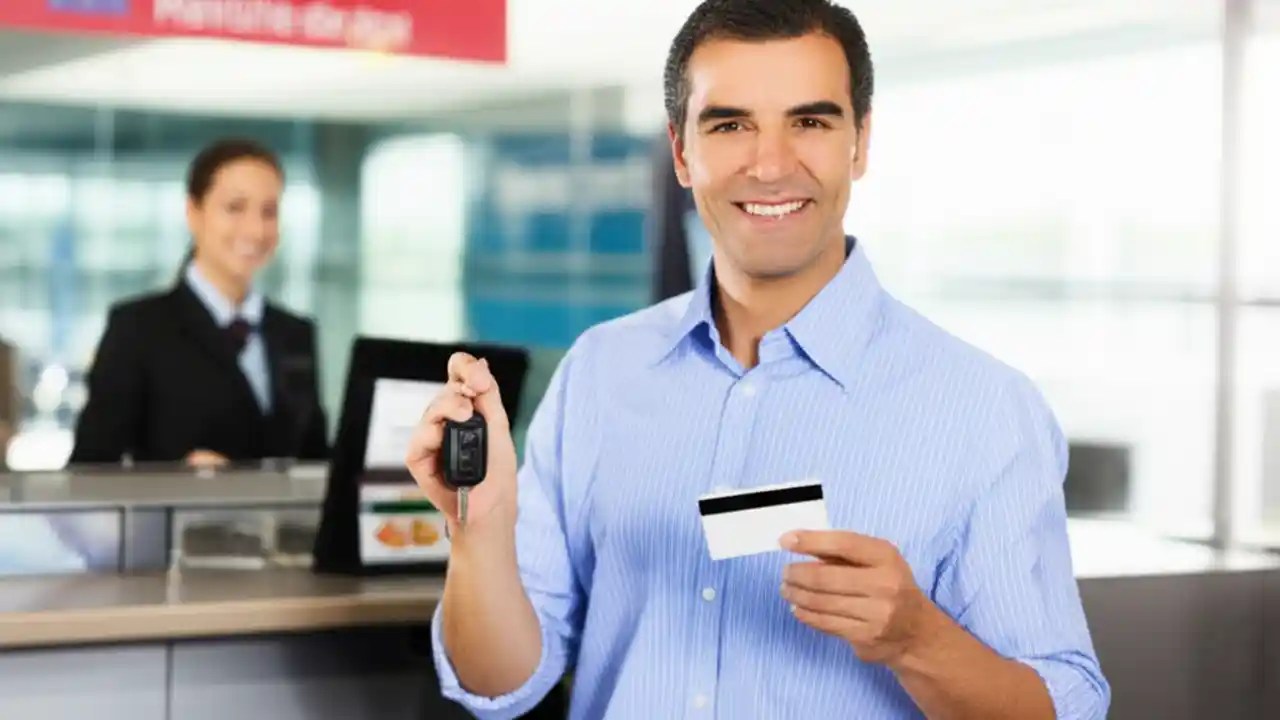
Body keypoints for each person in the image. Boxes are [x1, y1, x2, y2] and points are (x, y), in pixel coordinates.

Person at [408, 1, 1109, 718]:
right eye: (731, 125)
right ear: (681, 153)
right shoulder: (600, 372)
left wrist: (916, 638)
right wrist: (479, 529)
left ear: (859, 143)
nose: (771, 165)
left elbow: (1067, 706)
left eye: (810, 121)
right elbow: (500, 686)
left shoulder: (985, 409)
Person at [70, 138, 328, 468]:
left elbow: (317, 461)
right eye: (235, 208)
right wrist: (175, 478)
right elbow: (88, 470)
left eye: (269, 211)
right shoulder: (138, 329)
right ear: (194, 212)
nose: (256, 229)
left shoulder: (294, 333)